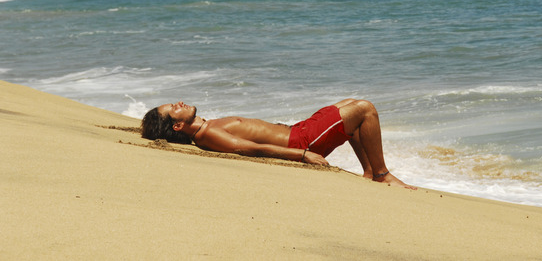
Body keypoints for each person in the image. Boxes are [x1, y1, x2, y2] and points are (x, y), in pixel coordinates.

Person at [141, 98, 414, 189]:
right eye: (173, 108)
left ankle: (369, 172)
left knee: (350, 105)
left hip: (299, 131)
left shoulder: (205, 126)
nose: (179, 102)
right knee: (364, 109)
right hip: (303, 140)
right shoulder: (205, 134)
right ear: (177, 126)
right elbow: (244, 148)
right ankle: (381, 174)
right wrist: (302, 155)